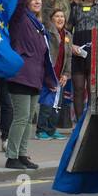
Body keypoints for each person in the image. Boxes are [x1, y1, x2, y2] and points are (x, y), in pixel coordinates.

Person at [4, 0, 54, 171]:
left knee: (29, 121)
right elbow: (17, 2)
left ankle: (22, 154)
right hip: (20, 76)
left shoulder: (38, 25)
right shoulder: (19, 18)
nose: (37, 2)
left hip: (35, 78)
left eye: (39, 0)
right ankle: (11, 156)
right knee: (21, 118)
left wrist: (49, 81)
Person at [36, 8, 72, 140]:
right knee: (46, 103)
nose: (60, 19)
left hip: (61, 75)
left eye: (62, 16)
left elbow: (68, 57)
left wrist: (66, 74)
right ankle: (41, 130)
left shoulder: (68, 35)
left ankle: (51, 130)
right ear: (51, 19)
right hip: (49, 74)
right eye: (57, 16)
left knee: (57, 104)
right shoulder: (48, 33)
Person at [67, 0, 98, 118]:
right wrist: (71, 46)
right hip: (78, 53)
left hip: (95, 52)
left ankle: (92, 120)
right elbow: (67, 31)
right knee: (78, 89)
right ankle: (79, 122)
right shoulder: (75, 9)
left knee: (92, 90)